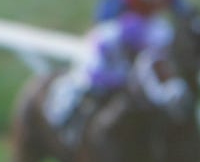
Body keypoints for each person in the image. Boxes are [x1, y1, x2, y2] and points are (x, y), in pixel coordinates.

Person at [46, 12, 184, 146]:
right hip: (92, 73)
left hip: (116, 70)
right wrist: (123, 79)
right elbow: (93, 74)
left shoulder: (140, 36)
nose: (135, 52)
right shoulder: (104, 40)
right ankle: (68, 127)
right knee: (80, 90)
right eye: (133, 49)